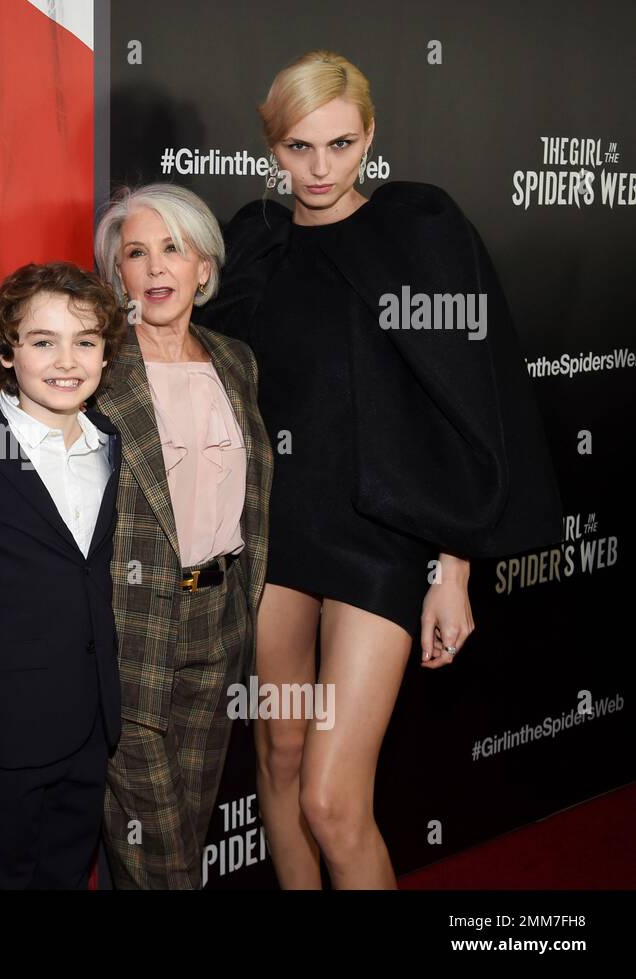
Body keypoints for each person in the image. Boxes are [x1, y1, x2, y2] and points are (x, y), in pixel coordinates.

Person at [207, 50, 563, 889]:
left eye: (340, 144)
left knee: (333, 800)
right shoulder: (252, 245)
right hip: (279, 540)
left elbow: (468, 408)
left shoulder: (418, 233)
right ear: (272, 147)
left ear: (370, 135)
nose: (321, 168)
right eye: (299, 147)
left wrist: (453, 570)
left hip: (383, 544)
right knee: (281, 755)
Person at [92, 184, 274, 888]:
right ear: (120, 275)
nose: (156, 266)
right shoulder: (97, 367)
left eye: (174, 247)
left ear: (205, 267)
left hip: (219, 622)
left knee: (187, 832)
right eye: (136, 252)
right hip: (131, 627)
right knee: (159, 856)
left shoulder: (236, 361)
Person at [0, 262, 124, 889]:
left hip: (92, 717)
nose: (67, 361)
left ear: (106, 355)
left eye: (85, 341)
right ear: (6, 351)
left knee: (64, 873)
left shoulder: (114, 441)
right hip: (3, 725)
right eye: (42, 341)